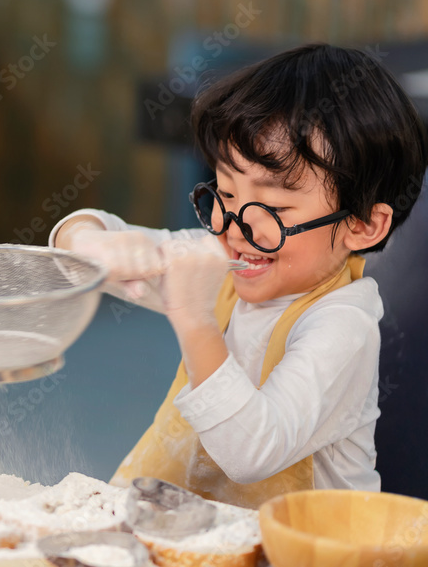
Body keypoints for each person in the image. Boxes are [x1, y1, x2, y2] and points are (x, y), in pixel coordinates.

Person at [51, 43, 428, 509]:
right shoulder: (230, 257)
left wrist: (193, 319)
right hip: (211, 538)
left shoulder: (342, 325)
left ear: (362, 224)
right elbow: (80, 251)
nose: (235, 226)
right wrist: (93, 244)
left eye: (274, 207)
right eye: (226, 193)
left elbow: (251, 452)